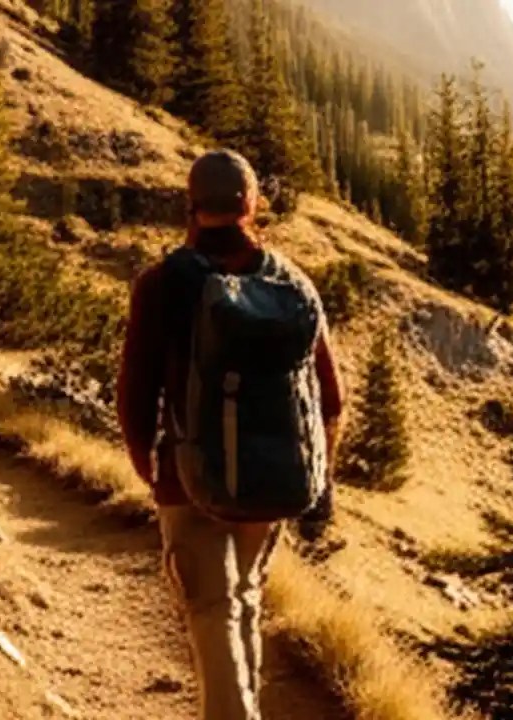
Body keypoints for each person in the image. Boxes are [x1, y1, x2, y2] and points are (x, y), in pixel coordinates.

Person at [116, 149, 345, 720]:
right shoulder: (291, 283)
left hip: (187, 479)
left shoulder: (163, 283)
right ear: (251, 204)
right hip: (270, 479)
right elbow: (332, 400)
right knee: (244, 601)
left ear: (191, 205)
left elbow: (135, 392)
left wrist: (152, 469)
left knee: (211, 612)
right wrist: (317, 474)